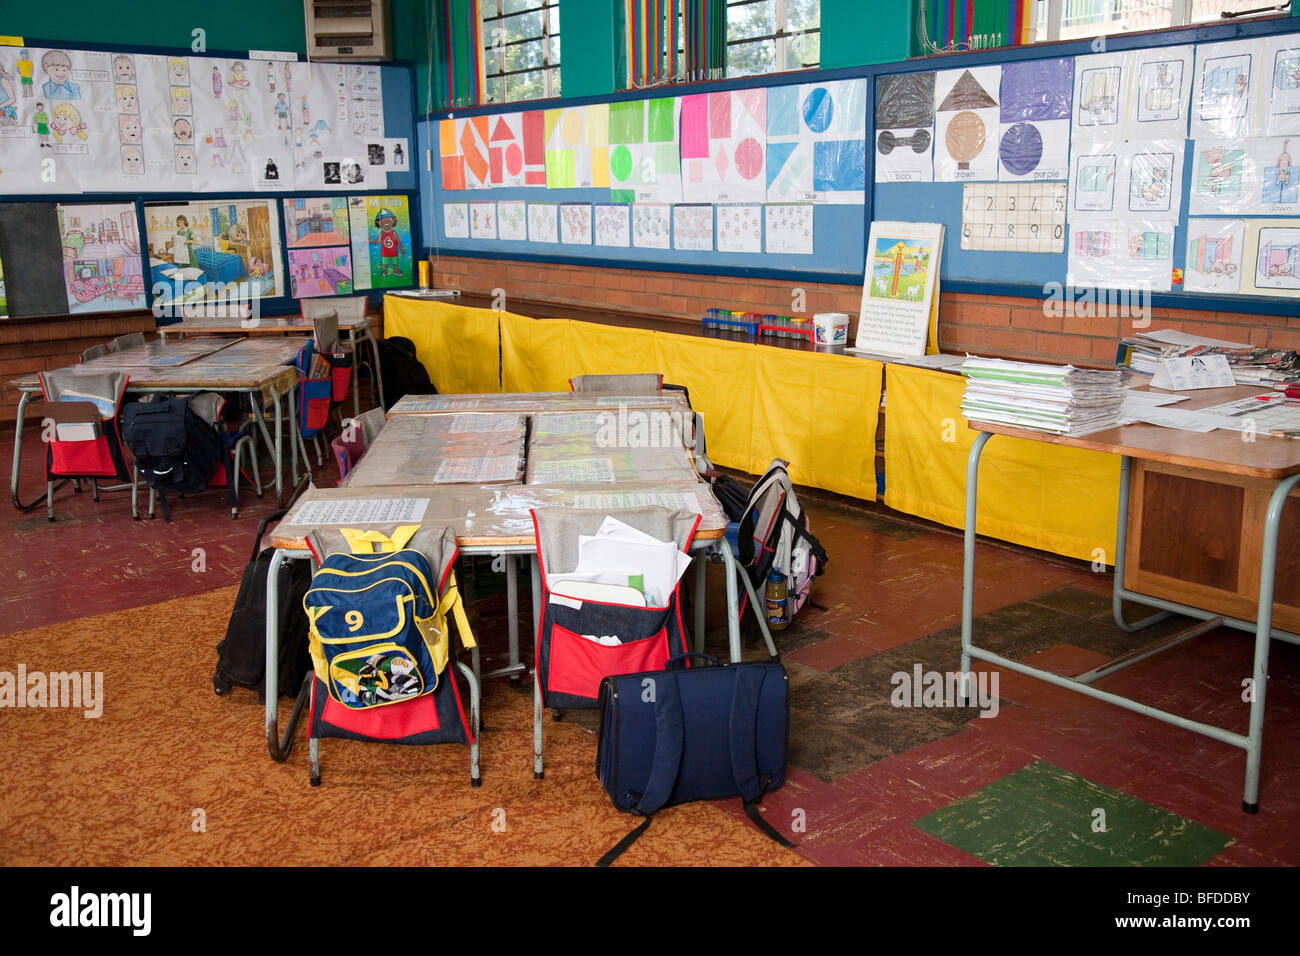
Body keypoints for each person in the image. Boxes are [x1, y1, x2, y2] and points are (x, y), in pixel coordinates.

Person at [370, 209, 405, 278]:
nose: (386, 222)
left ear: (393, 221)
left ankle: (395, 271)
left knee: (395, 263)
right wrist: (371, 241)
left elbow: (398, 241)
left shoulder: (394, 232)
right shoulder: (382, 233)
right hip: (385, 253)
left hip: (394, 252)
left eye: (389, 220)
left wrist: (401, 249)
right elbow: (377, 242)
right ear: (379, 223)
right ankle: (384, 271)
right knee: (384, 263)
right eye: (382, 221)